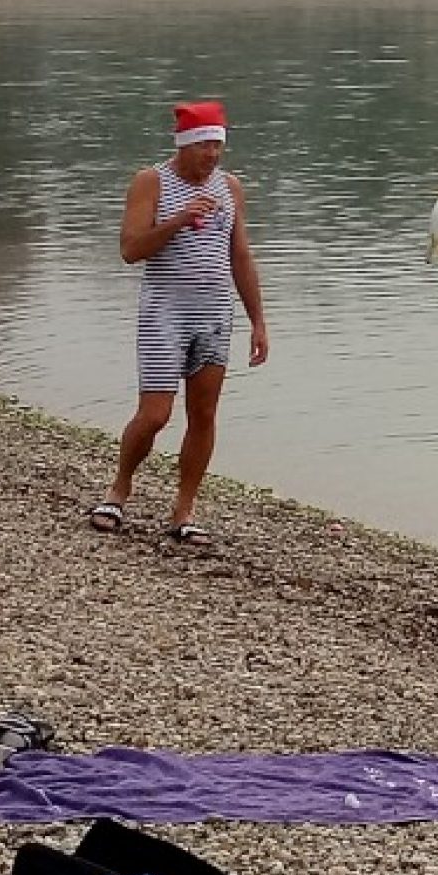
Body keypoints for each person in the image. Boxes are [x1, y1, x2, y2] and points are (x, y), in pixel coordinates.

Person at [88, 101, 269, 546]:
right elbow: (130, 250)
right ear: (184, 145)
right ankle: (118, 490)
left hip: (213, 312)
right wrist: (179, 220)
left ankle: (183, 511)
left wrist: (258, 322)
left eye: (218, 145)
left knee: (204, 414)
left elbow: (240, 256)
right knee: (155, 415)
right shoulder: (151, 181)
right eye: (203, 145)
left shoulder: (229, 188)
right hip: (164, 310)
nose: (212, 154)